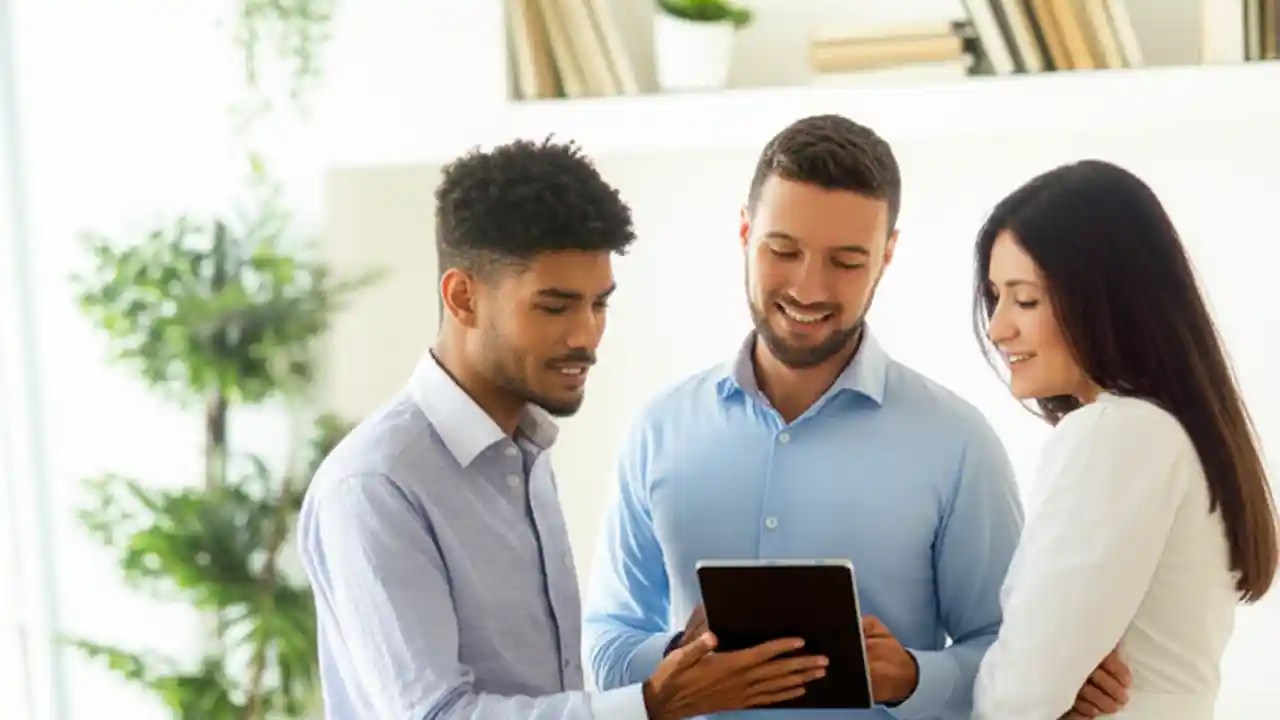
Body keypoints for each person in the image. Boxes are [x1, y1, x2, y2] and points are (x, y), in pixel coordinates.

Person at [295, 138, 831, 720]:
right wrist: (650, 706)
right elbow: (434, 715)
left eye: (599, 304)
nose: (586, 336)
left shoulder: (522, 456)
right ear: (462, 297)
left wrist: (684, 660)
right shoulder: (375, 485)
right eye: (554, 307)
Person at [581, 114, 1026, 719]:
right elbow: (605, 641)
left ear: (887, 255)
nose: (808, 288)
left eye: (845, 261)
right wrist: (687, 655)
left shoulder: (958, 444)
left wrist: (914, 676)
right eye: (783, 250)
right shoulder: (658, 432)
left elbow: (1014, 656)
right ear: (744, 231)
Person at [970, 159, 1279, 719]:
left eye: (1026, 298)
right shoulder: (1175, 433)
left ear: (1104, 297)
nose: (997, 327)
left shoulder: (1115, 434)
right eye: (996, 295)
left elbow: (1020, 694)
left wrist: (1037, 681)